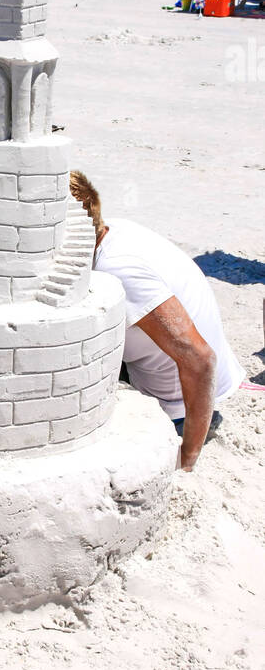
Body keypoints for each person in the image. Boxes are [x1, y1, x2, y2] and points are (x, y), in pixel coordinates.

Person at [70, 171, 244, 471]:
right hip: (203, 386)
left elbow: (200, 359)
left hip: (181, 409)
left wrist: (187, 457)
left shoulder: (117, 270)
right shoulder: (113, 230)